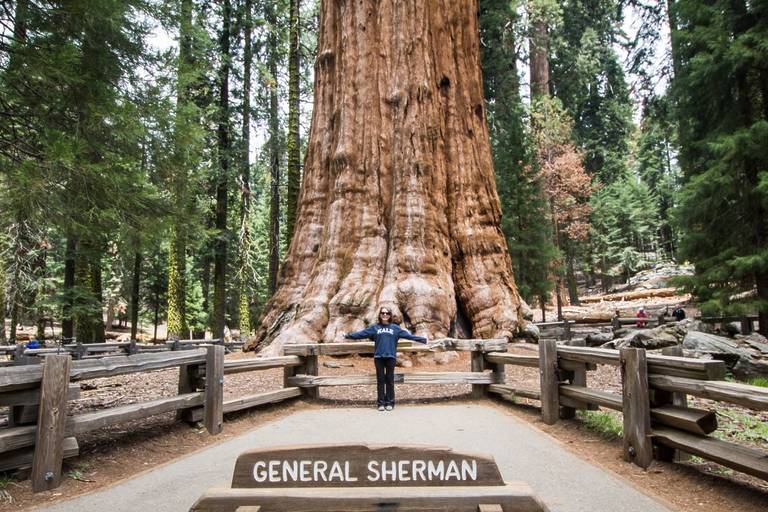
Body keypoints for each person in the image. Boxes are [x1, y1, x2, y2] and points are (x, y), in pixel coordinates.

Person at [344, 307, 427, 411]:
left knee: (390, 381)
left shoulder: (395, 328)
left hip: (391, 357)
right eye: (382, 313)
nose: (385, 315)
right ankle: (381, 404)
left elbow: (409, 336)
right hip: (378, 357)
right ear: (380, 315)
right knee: (380, 381)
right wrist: (348, 335)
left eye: (387, 313)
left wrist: (423, 339)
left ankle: (390, 403)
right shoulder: (375, 328)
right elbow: (361, 334)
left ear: (390, 315)